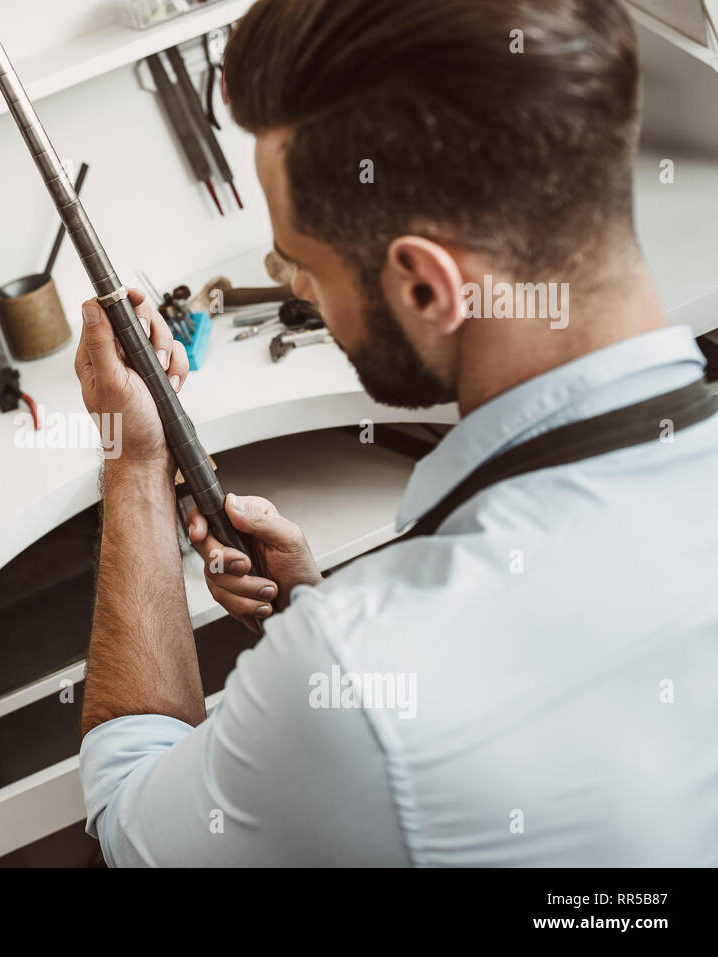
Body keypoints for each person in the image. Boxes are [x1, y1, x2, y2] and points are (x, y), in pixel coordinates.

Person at [73, 0, 718, 866]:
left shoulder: (355, 690)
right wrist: (326, 608)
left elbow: (126, 826)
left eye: (301, 264)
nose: (298, 291)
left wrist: (134, 458)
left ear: (423, 286)